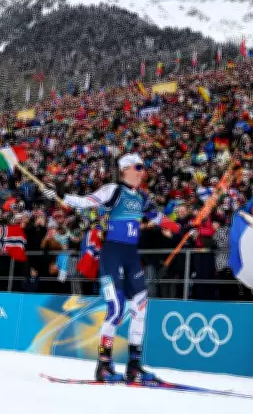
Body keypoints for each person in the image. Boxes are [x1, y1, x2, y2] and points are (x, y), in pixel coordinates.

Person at [41, 153, 180, 383]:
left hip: (131, 256)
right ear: (125, 169)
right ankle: (103, 365)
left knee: (141, 307)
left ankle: (134, 366)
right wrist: (59, 194)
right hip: (112, 254)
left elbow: (157, 218)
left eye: (143, 167)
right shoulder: (113, 190)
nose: (141, 171)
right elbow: (86, 201)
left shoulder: (142, 197)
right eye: (138, 167)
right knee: (115, 309)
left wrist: (180, 227)